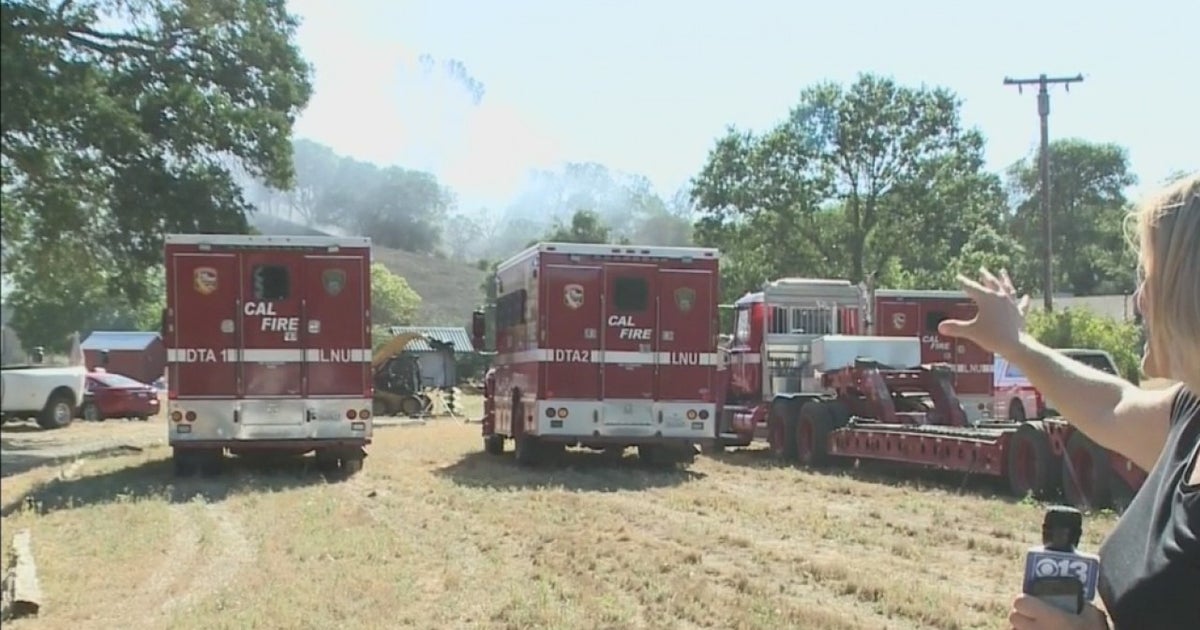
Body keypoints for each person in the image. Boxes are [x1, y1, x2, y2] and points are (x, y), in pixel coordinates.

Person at [937, 173, 1199, 630]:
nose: (1138, 300)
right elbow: (1109, 405)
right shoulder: (1190, 417)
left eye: (1151, 277)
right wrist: (1016, 343)